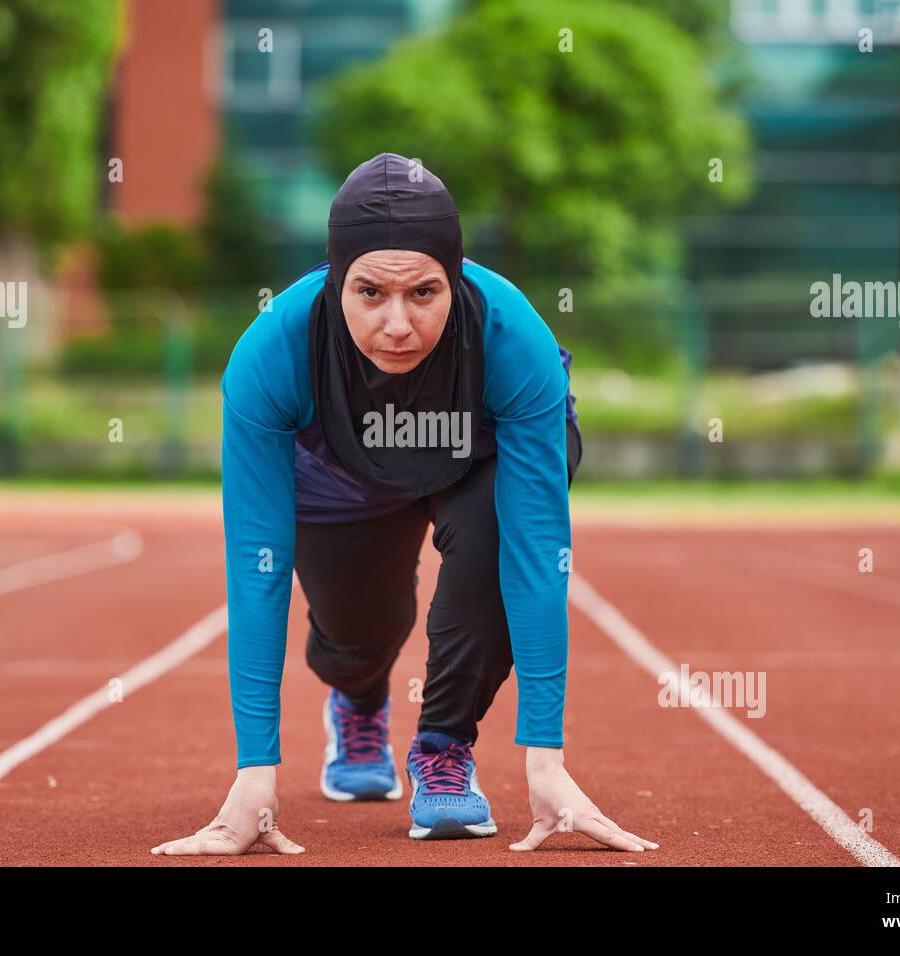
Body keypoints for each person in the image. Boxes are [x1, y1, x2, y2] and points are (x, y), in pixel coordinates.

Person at [152, 153, 657, 855]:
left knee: (499, 540)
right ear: (334, 282)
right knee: (357, 636)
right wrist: (254, 774)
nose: (397, 324)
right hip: (341, 480)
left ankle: (443, 745)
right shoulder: (272, 355)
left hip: (477, 461)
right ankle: (358, 699)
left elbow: (540, 553)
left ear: (455, 280)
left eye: (424, 293)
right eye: (369, 293)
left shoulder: (514, 341)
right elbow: (256, 565)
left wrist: (546, 759)